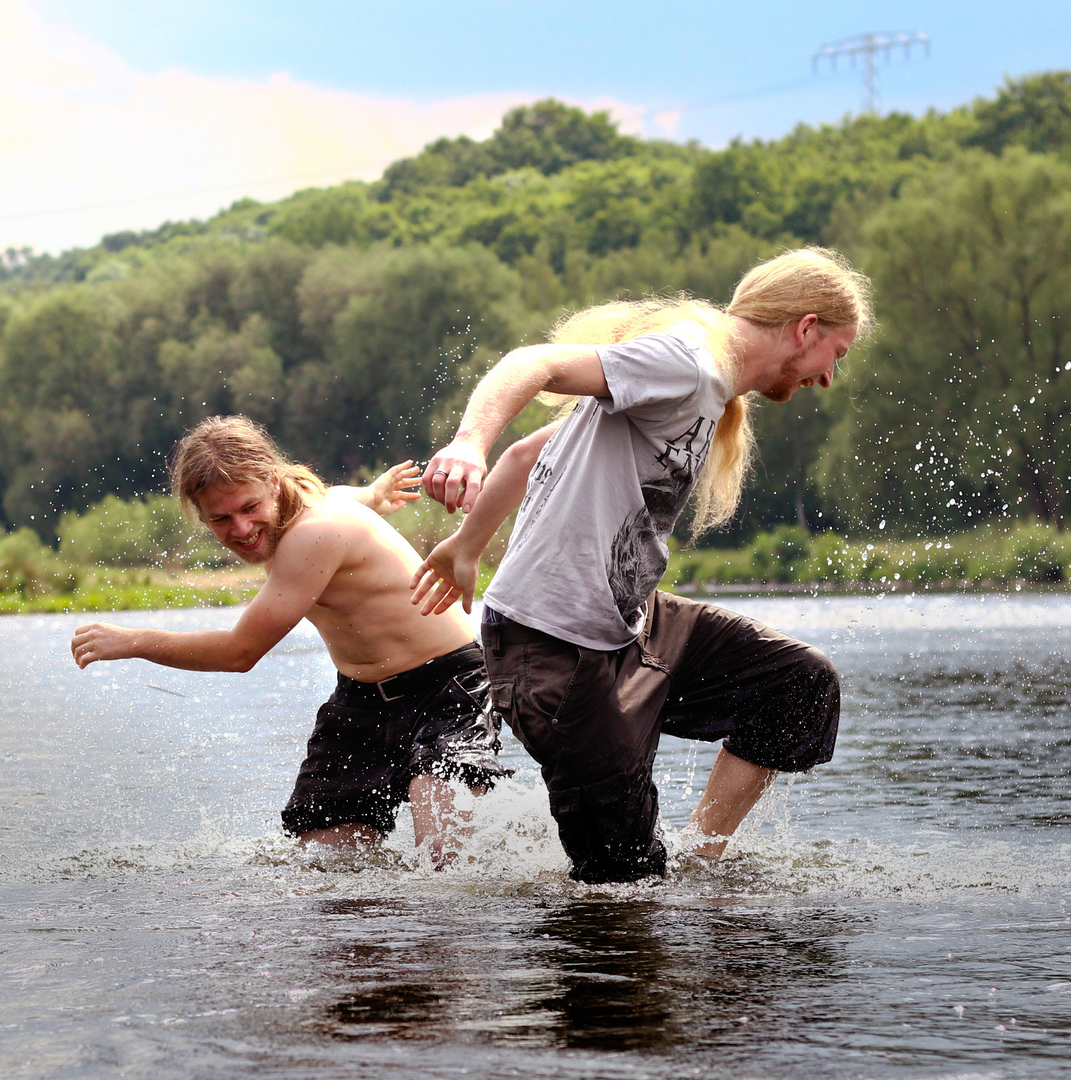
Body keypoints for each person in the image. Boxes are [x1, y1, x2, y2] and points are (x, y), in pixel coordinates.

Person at [411, 248, 871, 883]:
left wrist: (467, 547)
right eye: (836, 353)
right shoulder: (688, 360)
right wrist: (467, 442)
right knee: (622, 878)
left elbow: (526, 455)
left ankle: (700, 860)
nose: (827, 375)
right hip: (552, 647)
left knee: (796, 683)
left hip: (632, 625)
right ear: (806, 328)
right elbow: (533, 363)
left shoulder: (708, 389)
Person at [71, 416, 511, 868]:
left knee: (444, 867)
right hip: (359, 705)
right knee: (325, 870)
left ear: (274, 482)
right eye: (221, 519)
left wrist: (135, 640)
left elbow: (240, 652)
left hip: (446, 689)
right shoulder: (312, 503)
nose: (240, 529)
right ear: (201, 517)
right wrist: (373, 496)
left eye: (248, 508)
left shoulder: (314, 532)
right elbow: (348, 496)